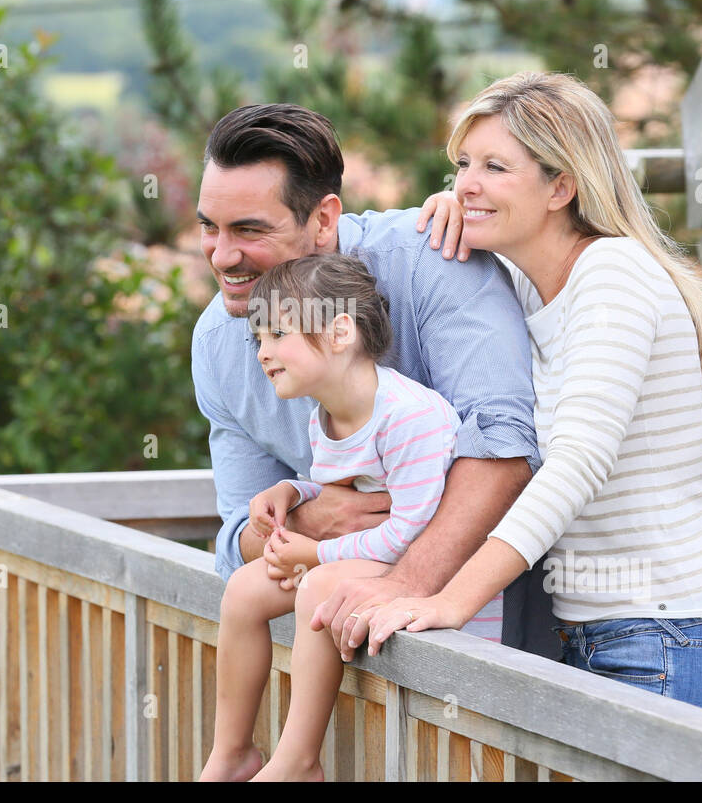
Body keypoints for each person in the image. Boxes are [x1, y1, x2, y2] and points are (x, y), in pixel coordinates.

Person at [352, 71, 702, 724]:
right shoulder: (526, 283)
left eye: (495, 166)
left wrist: (447, 598)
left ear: (562, 186)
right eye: (462, 164)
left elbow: (575, 464)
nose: (467, 183)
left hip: (674, 637)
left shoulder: (615, 275)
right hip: (598, 636)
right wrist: (442, 205)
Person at [191, 103, 559, 663]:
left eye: (249, 230)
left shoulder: (433, 260)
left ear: (323, 219)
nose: (222, 256)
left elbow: (504, 445)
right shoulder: (217, 342)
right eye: (208, 227)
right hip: (343, 656)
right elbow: (237, 534)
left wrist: (405, 581)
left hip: (498, 657)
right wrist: (305, 518)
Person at [200, 253, 466, 781]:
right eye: (258, 339)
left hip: (429, 571)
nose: (263, 352)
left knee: (317, 586)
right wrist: (291, 492)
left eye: (277, 333)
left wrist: (316, 552)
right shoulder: (327, 417)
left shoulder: (409, 415)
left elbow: (413, 534)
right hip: (371, 557)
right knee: (245, 590)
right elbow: (340, 488)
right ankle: (233, 753)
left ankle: (297, 761)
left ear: (340, 331)